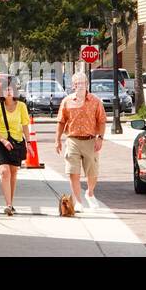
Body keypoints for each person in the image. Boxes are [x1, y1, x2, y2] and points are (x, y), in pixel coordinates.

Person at [55, 71, 107, 211]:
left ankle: (90, 193)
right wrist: (58, 139)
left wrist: (100, 138)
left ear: (87, 85)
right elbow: (61, 121)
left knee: (92, 173)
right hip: (72, 140)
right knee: (73, 172)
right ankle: (78, 202)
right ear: (73, 86)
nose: (80, 86)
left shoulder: (95, 101)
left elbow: (102, 121)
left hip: (91, 140)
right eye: (77, 83)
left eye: (83, 83)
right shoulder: (67, 101)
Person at [0, 82, 29, 215]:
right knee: (5, 172)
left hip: (16, 143)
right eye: (6, 90)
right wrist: (3, 140)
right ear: (2, 94)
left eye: (11, 89)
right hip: (1, 142)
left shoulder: (21, 106)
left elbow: (25, 126)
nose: (9, 92)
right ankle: (8, 205)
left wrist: (29, 143)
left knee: (13, 172)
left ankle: (11, 203)